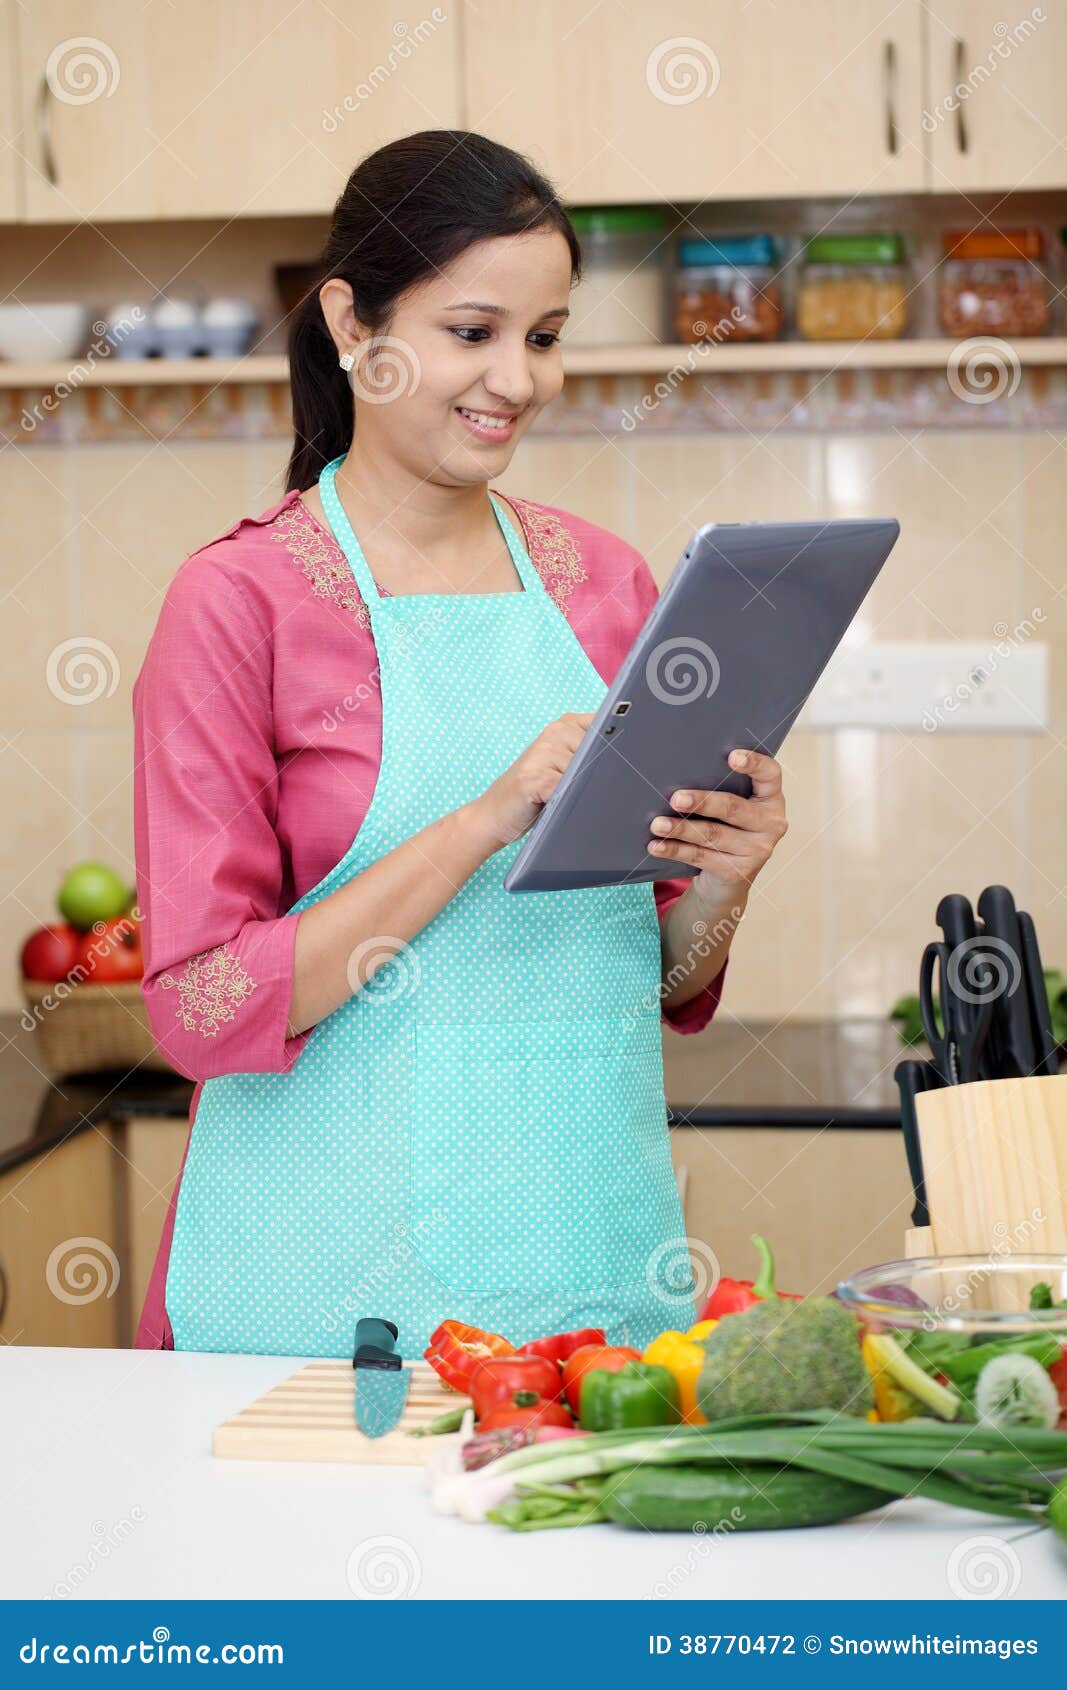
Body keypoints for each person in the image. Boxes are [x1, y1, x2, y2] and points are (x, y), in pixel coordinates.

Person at [133, 130, 789, 1358]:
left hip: (583, 1279)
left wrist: (724, 881)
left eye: (542, 339)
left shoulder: (607, 585)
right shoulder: (238, 603)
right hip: (321, 1302)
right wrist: (484, 819)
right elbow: (199, 1008)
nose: (515, 379)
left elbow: (639, 980)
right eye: (471, 331)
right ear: (351, 323)